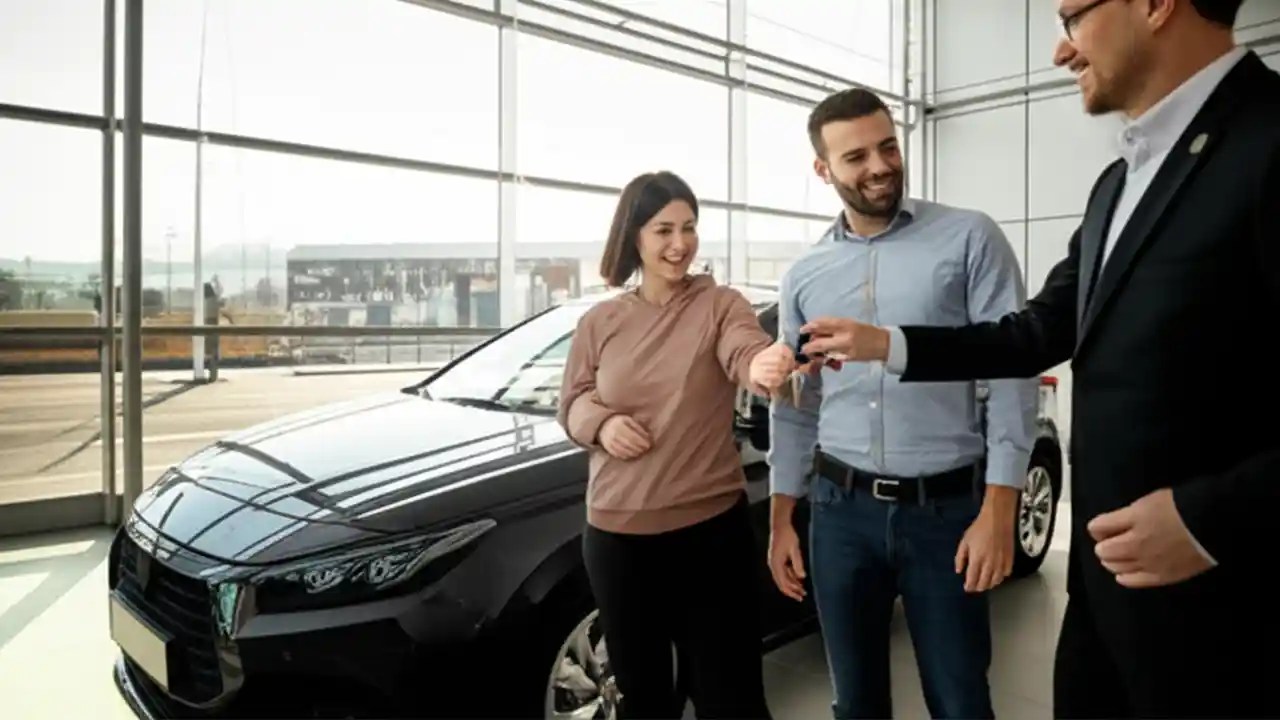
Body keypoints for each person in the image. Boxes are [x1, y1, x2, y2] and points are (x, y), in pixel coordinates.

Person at [794, 2, 1280, 717]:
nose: (1061, 51)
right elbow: (1035, 333)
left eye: (1072, 17)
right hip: (1105, 599)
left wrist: (1214, 519)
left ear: (1154, 5)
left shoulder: (1269, 141)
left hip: (1228, 614)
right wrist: (887, 345)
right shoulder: (1120, 181)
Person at [766, 87, 1038, 719]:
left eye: (888, 146)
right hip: (839, 513)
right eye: (856, 157)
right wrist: (782, 518)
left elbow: (1013, 372)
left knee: (961, 701)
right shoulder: (804, 274)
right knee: (855, 703)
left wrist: (1000, 509)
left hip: (946, 512)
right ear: (823, 170)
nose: (880, 166)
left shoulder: (969, 237)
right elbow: (796, 401)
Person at [556, 170, 794, 720]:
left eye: (689, 228)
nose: (680, 243)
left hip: (710, 537)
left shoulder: (720, 305)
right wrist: (601, 424)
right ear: (634, 236)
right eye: (664, 230)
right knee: (643, 699)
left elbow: (744, 351)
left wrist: (764, 365)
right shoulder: (600, 320)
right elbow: (571, 402)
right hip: (618, 539)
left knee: (731, 698)